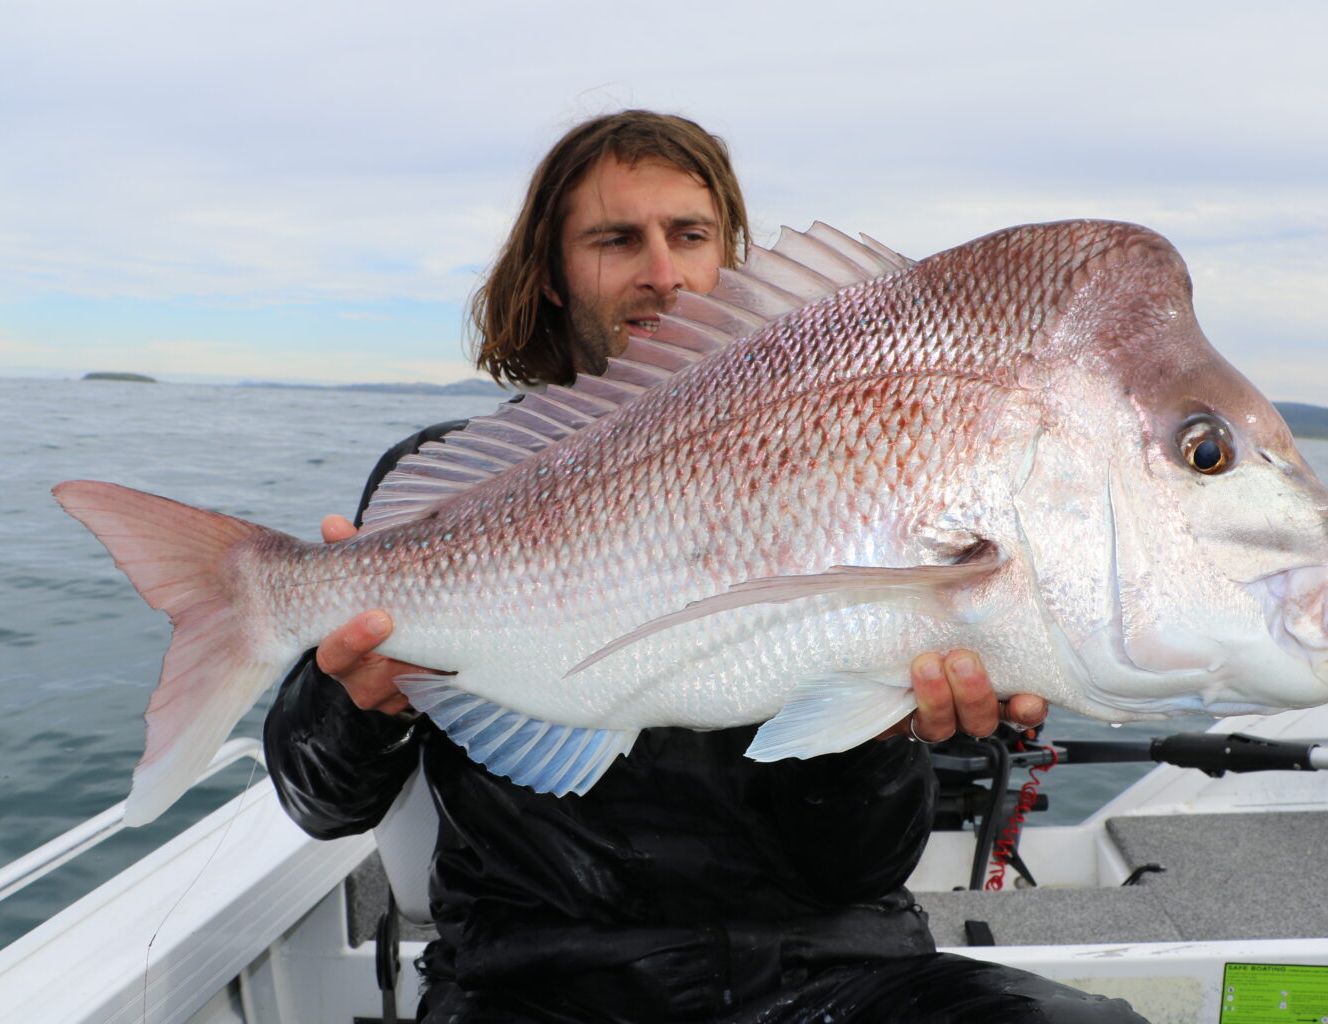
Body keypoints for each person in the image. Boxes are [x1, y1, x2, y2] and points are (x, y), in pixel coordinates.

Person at [264, 110, 1149, 1024]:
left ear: (731, 259)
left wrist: (880, 739)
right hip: (534, 981)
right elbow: (320, 802)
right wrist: (355, 699)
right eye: (616, 239)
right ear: (552, 276)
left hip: (835, 970)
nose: (663, 271)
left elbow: (859, 867)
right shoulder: (457, 484)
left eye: (691, 235)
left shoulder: (860, 451)